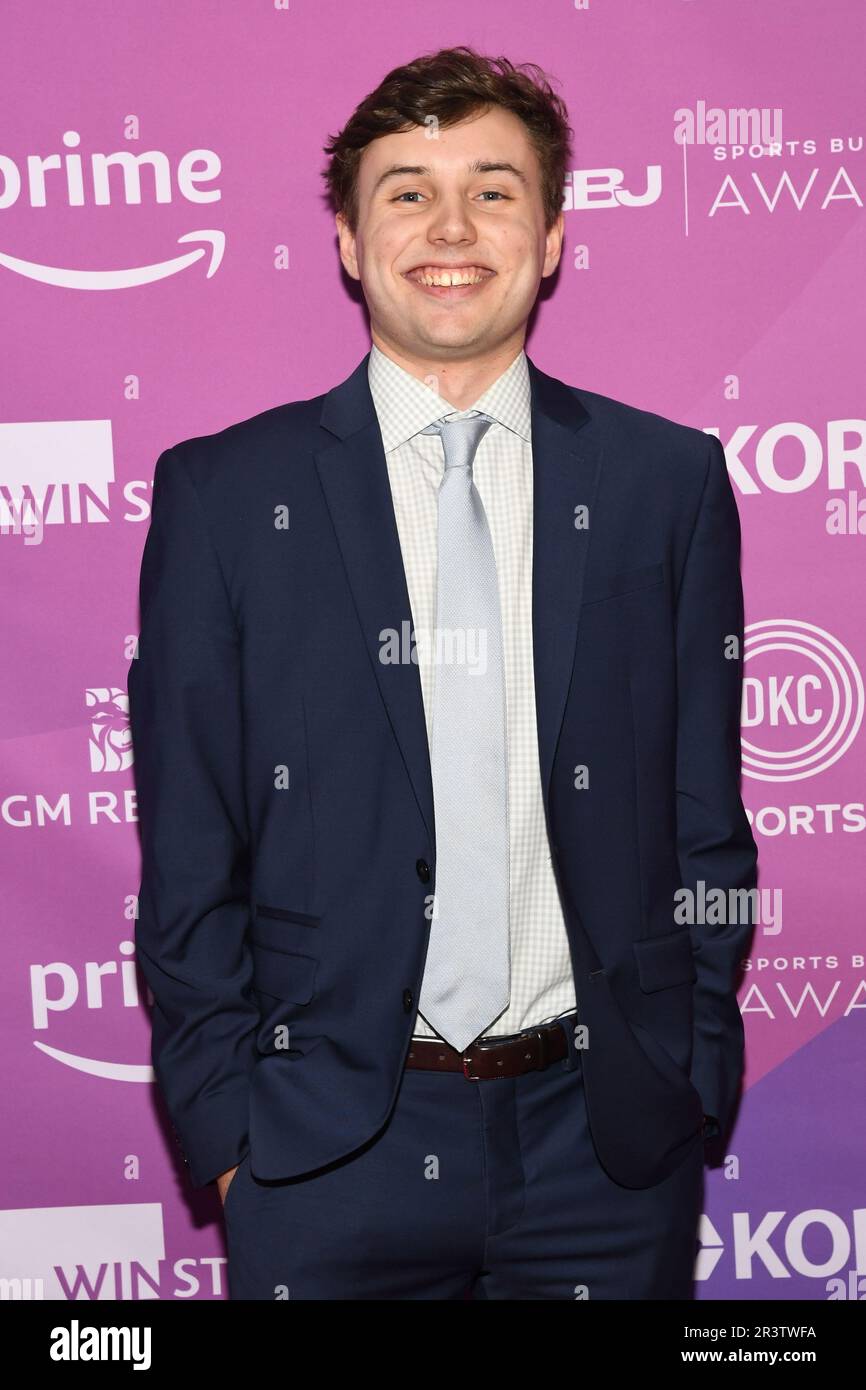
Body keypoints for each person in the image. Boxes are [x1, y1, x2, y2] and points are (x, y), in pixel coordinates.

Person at [128, 46, 758, 1300]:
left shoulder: (661, 484)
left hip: (606, 1147)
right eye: (406, 191)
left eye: (493, 188)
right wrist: (233, 1133)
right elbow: (191, 844)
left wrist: (687, 1069)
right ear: (351, 246)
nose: (451, 227)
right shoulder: (226, 495)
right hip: (323, 1149)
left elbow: (705, 822)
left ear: (553, 234)